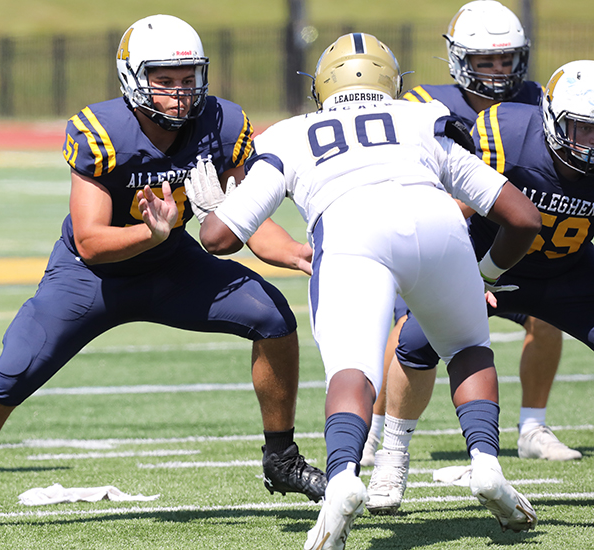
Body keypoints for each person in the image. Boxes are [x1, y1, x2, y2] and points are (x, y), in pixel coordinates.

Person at [0, 14, 326, 530]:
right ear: (134, 79)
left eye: (187, 81)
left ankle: (281, 458)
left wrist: (299, 253)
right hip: (89, 279)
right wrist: (151, 233)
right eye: (163, 81)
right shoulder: (103, 131)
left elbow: (246, 221)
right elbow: (91, 241)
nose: (179, 94)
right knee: (12, 375)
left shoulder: (223, 124)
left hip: (169, 267)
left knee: (272, 316)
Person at [193, 33, 541, 549]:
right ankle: (486, 464)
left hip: (351, 233)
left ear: (322, 87)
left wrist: (212, 208)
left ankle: (341, 480)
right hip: (436, 222)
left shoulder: (290, 134)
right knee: (467, 347)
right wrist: (484, 273)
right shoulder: (421, 119)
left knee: (352, 370)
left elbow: (220, 238)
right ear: (391, 82)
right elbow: (523, 217)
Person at [364, 0, 581, 516]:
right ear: (459, 59)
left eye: (507, 61)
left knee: (544, 319)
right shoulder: (420, 105)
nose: (499, 73)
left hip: (539, 254)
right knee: (409, 335)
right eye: (486, 61)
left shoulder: (545, 105)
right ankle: (378, 437)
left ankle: (531, 426)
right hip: (455, 249)